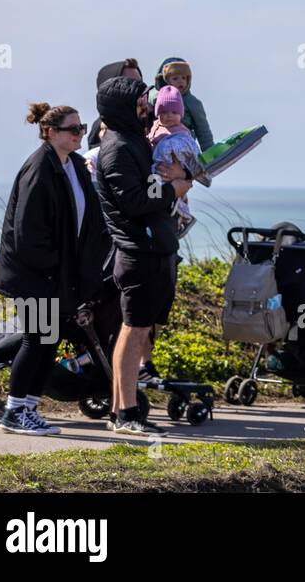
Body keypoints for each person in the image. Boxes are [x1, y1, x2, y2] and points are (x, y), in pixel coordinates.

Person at [0, 103, 111, 435]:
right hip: (35, 275)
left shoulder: (73, 164)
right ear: (50, 132)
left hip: (59, 275)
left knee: (50, 338)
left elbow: (88, 217)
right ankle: (14, 410)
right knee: (36, 339)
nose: (79, 134)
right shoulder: (38, 169)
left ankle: (28, 407)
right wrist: (53, 267)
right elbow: (27, 233)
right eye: (72, 129)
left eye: (80, 127)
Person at [94, 76, 193, 434]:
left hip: (154, 248)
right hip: (138, 252)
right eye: (139, 103)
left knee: (135, 330)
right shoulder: (118, 147)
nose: (146, 107)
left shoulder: (136, 138)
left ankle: (123, 410)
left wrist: (180, 174)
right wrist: (175, 189)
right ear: (122, 108)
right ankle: (125, 413)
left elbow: (156, 179)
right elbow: (133, 202)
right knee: (133, 331)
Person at [147, 86, 201, 236]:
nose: (169, 116)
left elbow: (193, 158)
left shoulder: (182, 133)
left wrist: (184, 173)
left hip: (173, 172)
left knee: (177, 199)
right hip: (157, 172)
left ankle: (182, 218)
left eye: (174, 112)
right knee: (156, 197)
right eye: (163, 112)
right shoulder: (155, 127)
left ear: (181, 114)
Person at [147, 57, 214, 151]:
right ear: (165, 80)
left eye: (184, 78)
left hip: (182, 147)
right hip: (158, 145)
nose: (180, 81)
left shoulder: (192, 103)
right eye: (175, 78)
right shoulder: (154, 97)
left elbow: (203, 131)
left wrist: (210, 153)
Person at [86, 58, 142, 151]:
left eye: (139, 82)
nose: (137, 87)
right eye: (129, 82)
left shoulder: (145, 118)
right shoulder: (105, 126)